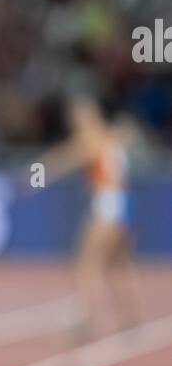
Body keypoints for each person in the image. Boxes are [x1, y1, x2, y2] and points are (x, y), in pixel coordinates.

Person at [41, 96, 140, 338]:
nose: (75, 122)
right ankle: (132, 319)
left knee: (87, 264)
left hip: (107, 203)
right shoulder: (111, 136)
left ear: (90, 116)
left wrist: (35, 175)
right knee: (118, 265)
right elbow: (128, 133)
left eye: (79, 116)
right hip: (123, 203)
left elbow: (65, 159)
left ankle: (88, 321)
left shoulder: (91, 138)